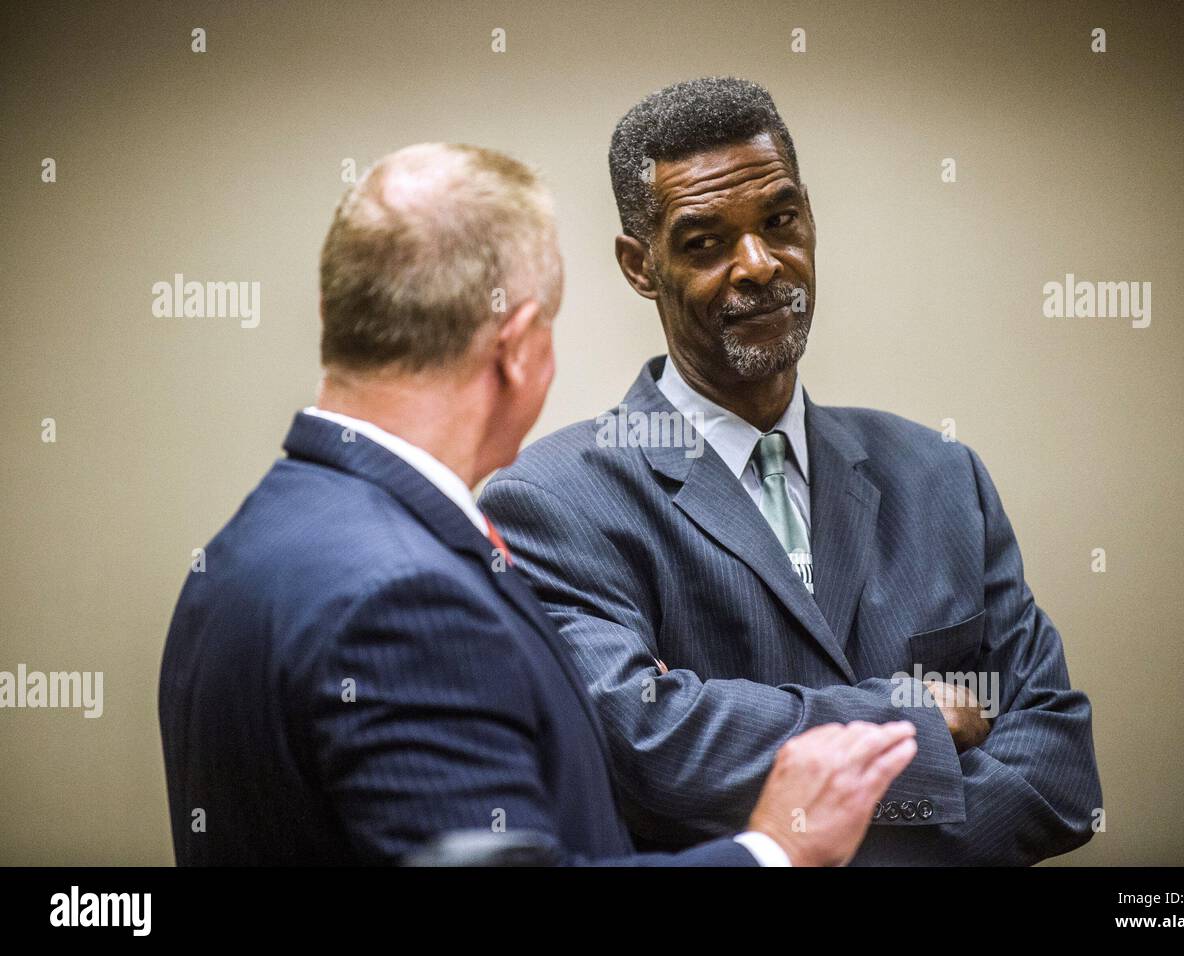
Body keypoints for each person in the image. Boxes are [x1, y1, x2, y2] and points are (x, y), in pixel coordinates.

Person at [157, 142, 917, 866]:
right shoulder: (404, 598)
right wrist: (775, 851)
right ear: (518, 349)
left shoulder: (242, 546)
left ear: (328, 313)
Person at [480, 78, 1102, 864]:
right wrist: (907, 716)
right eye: (705, 242)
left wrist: (819, 839)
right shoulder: (552, 500)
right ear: (640, 266)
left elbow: (1060, 772)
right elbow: (648, 745)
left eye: (780, 222)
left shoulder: (944, 478)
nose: (758, 264)